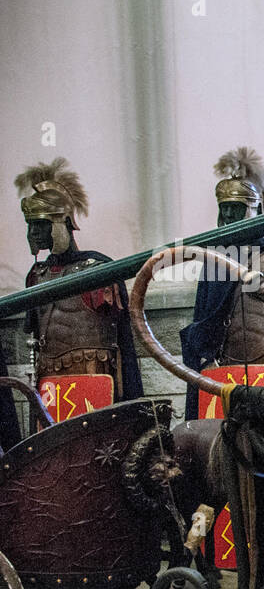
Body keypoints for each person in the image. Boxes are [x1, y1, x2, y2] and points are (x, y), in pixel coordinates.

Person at [179, 147, 264, 419]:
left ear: (255, 209)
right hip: (228, 374)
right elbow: (204, 327)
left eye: (235, 209)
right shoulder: (215, 261)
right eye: (224, 210)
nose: (228, 218)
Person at [16, 157, 141, 420]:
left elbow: (125, 343)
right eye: (31, 224)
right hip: (51, 385)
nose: (34, 231)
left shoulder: (99, 270)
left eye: (41, 223)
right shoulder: (36, 276)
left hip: (96, 380)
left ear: (61, 222)